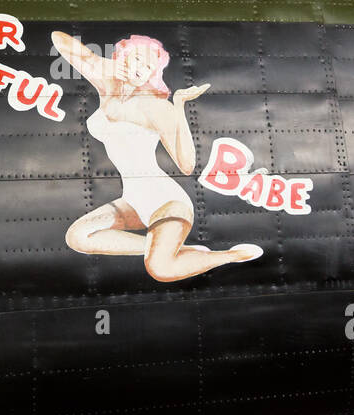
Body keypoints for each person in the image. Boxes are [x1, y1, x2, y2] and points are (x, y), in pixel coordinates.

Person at [51, 30, 263, 282]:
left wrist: (179, 108)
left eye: (149, 65)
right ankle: (171, 249)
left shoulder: (156, 106)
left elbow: (187, 165)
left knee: (160, 269)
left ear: (154, 73)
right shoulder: (107, 83)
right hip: (132, 201)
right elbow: (59, 40)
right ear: (125, 57)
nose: (142, 67)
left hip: (168, 203)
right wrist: (108, 66)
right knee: (78, 236)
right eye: (138, 58)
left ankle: (229, 255)